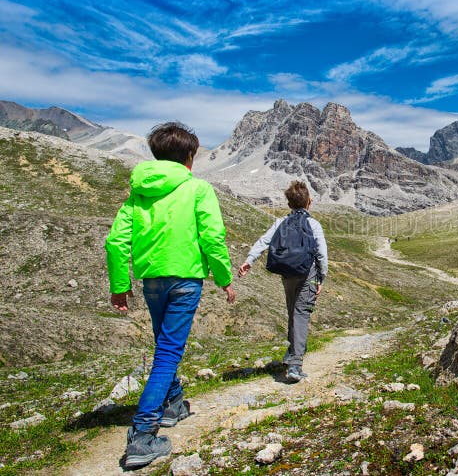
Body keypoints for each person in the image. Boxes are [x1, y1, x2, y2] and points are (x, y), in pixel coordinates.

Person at [105, 122, 236, 469]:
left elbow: (116, 241)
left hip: (151, 281)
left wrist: (120, 285)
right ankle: (143, 434)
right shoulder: (198, 189)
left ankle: (173, 403)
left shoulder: (139, 191)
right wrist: (224, 279)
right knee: (167, 351)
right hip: (186, 280)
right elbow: (212, 238)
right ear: (190, 157)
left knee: (163, 343)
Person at [238, 180, 328, 383]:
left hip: (287, 274)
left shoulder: (280, 222)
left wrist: (249, 261)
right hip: (308, 274)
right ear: (309, 202)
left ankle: (291, 352)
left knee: (292, 311)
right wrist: (322, 277)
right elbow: (322, 254)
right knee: (301, 313)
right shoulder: (314, 224)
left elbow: (264, 241)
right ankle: (295, 363)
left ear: (288, 204)